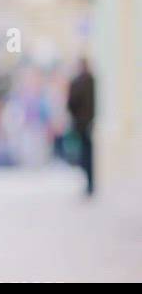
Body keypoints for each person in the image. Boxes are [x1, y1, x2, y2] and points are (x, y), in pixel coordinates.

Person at [67, 57, 95, 196]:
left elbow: (70, 103)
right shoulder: (92, 81)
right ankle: (90, 183)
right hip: (89, 122)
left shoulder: (77, 82)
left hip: (80, 123)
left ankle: (88, 182)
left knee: (83, 154)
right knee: (88, 154)